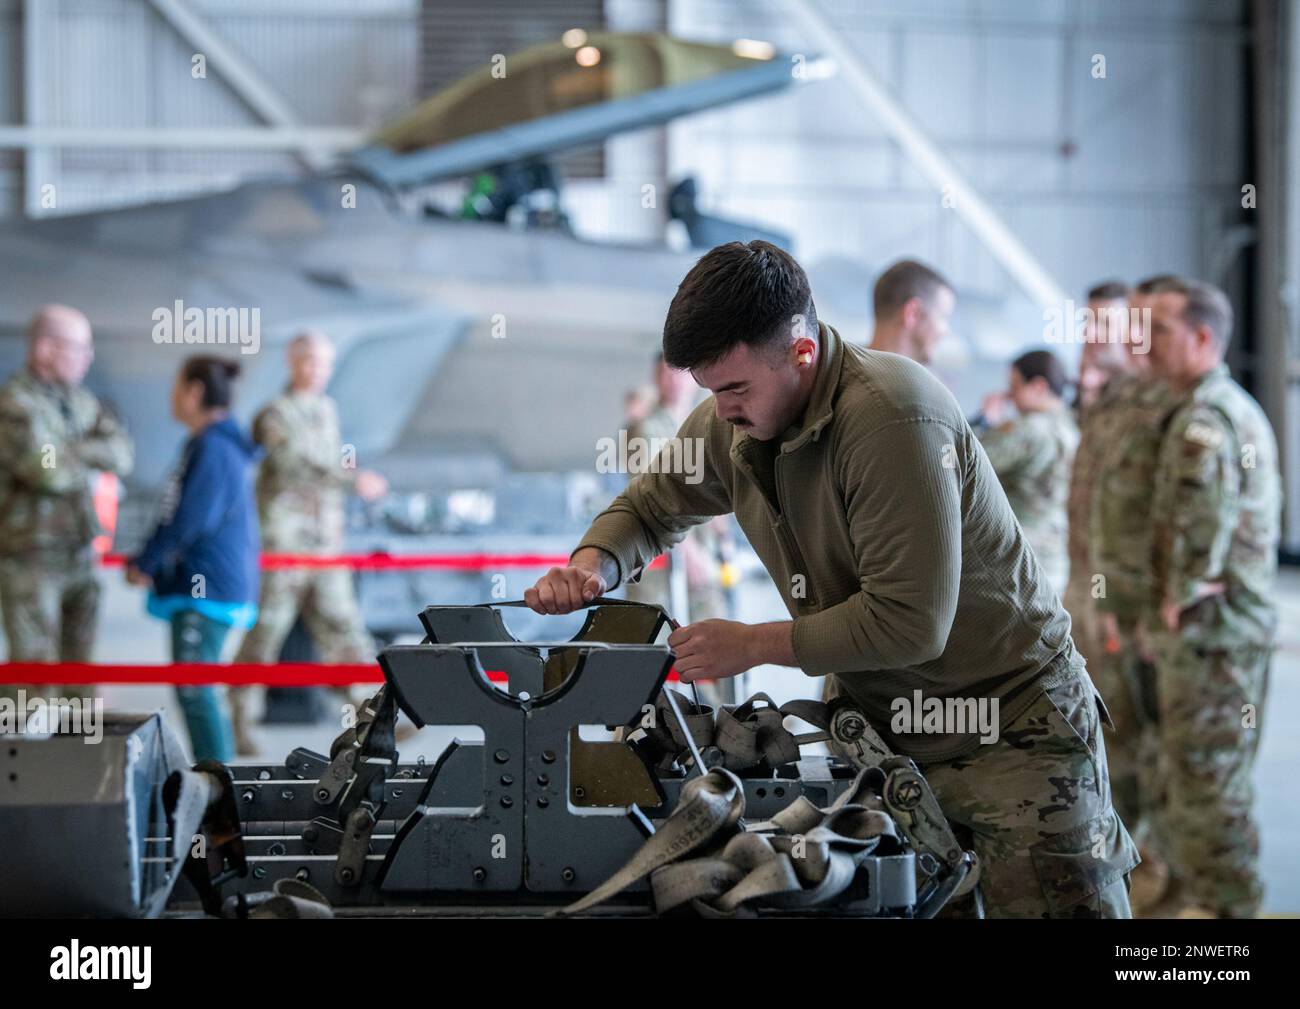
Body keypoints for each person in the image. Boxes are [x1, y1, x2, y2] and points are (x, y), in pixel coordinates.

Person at [525, 240, 1136, 918]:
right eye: (710, 390)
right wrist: (594, 564)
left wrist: (753, 644)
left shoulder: (893, 417)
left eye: (734, 388)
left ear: (802, 353)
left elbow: (910, 620)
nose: (722, 409)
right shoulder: (737, 420)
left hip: (1007, 729)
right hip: (887, 740)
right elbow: (649, 505)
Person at [1144, 278, 1280, 919]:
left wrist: (1178, 593)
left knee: (1210, 785)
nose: (1147, 344)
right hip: (1211, 630)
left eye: (1161, 330)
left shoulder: (1208, 418)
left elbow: (1204, 516)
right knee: (1187, 774)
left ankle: (1232, 918)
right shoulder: (1213, 406)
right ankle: (1190, 896)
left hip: (1214, 633)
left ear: (1202, 338)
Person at [232, 331, 387, 753]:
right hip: (285, 545)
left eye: (324, 363)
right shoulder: (274, 415)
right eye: (309, 361)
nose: (317, 371)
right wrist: (353, 479)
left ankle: (373, 719)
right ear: (293, 362)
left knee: (344, 630)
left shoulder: (326, 409)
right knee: (266, 633)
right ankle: (239, 720)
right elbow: (292, 464)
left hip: (324, 546)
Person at [1086, 274, 1183, 909]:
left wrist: (1153, 612)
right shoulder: (1106, 402)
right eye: (1086, 324)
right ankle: (1128, 860)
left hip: (1136, 607)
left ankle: (1158, 869)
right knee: (1109, 741)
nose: (1091, 337)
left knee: (1150, 745)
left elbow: (1169, 517)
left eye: (1106, 325)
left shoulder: (1161, 407)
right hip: (1095, 599)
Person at [128, 357, 260, 763]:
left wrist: (147, 561)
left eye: (176, 386)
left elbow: (190, 518)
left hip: (206, 587)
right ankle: (218, 787)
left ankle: (219, 798)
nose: (171, 397)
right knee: (195, 687)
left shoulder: (214, 447)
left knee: (195, 688)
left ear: (194, 392)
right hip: (207, 585)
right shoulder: (215, 444)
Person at [0, 306, 133, 701]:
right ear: (44, 349)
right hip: (31, 554)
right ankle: (22, 760)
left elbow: (122, 454)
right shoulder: (16, 406)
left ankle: (84, 758)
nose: (87, 358)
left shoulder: (81, 401)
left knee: (81, 672)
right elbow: (46, 470)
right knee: (34, 672)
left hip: (79, 549)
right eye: (78, 348)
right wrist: (86, 453)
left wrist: (69, 449)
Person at [976, 350, 1078, 596]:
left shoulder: (1028, 430)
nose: (1009, 397)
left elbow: (970, 463)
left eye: (1014, 387)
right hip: (1056, 562)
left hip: (1020, 562)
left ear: (1039, 386)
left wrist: (985, 421)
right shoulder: (1072, 427)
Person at [866, 259, 955, 364]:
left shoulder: (847, 370)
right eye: (943, 317)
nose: (946, 331)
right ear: (913, 313)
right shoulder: (908, 380)